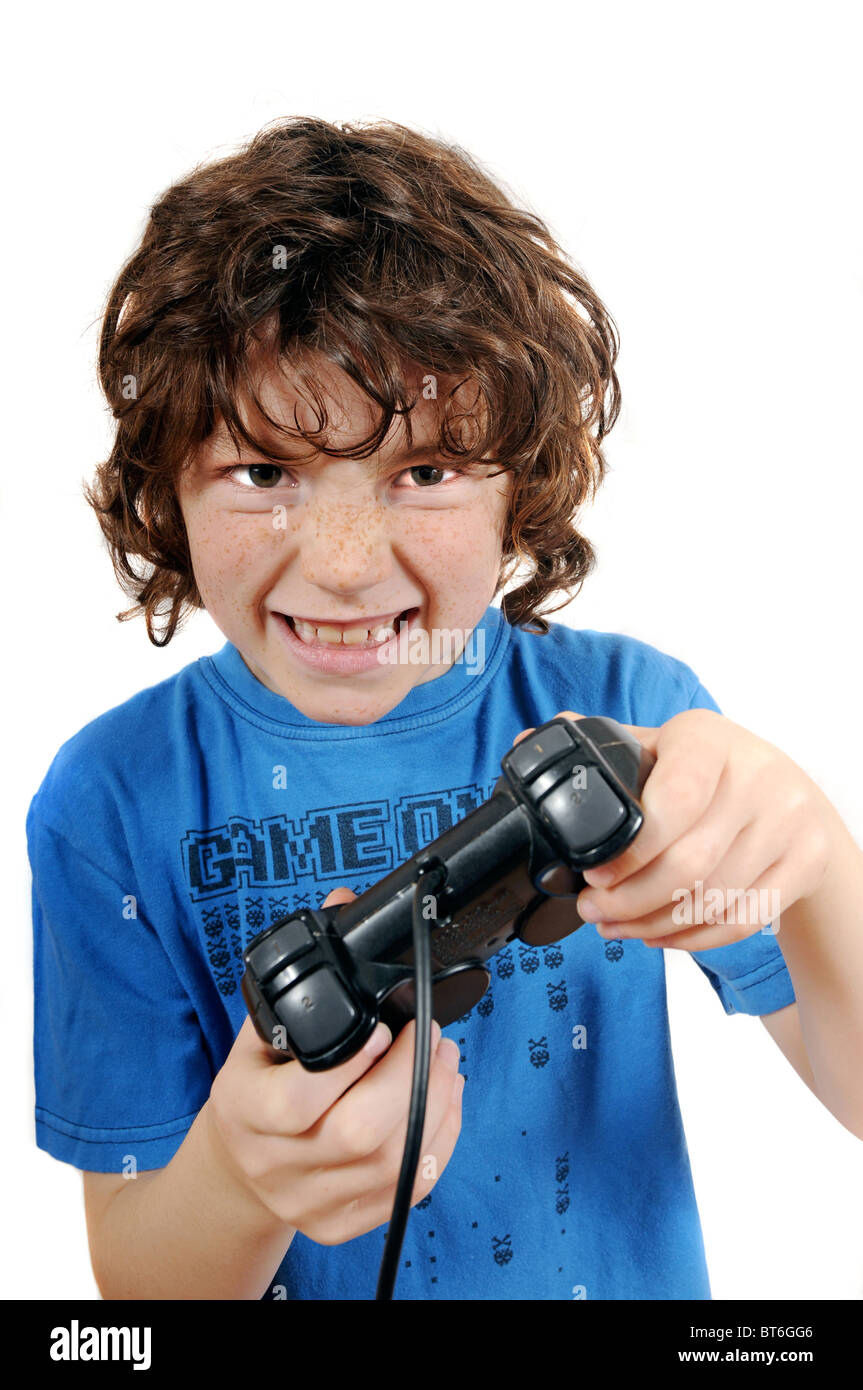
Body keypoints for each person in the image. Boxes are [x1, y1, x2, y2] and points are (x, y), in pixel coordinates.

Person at [27, 116, 863, 1301]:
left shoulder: (632, 720)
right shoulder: (111, 800)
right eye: (262, 472)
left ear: (519, 481)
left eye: (423, 472)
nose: (345, 565)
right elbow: (141, 1287)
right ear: (169, 488)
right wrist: (238, 1176)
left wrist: (817, 860)